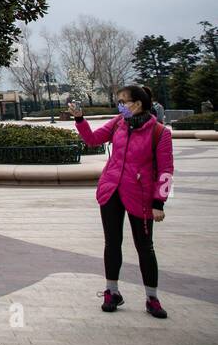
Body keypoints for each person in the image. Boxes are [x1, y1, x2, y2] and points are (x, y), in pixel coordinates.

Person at [70, 85, 174, 319]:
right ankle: (112, 291)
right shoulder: (119, 122)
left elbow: (166, 171)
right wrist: (80, 119)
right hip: (111, 190)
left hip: (141, 195)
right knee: (112, 243)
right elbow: (93, 140)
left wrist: (160, 202)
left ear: (137, 104)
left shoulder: (159, 132)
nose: (120, 106)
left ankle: (152, 297)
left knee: (145, 247)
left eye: (123, 102)